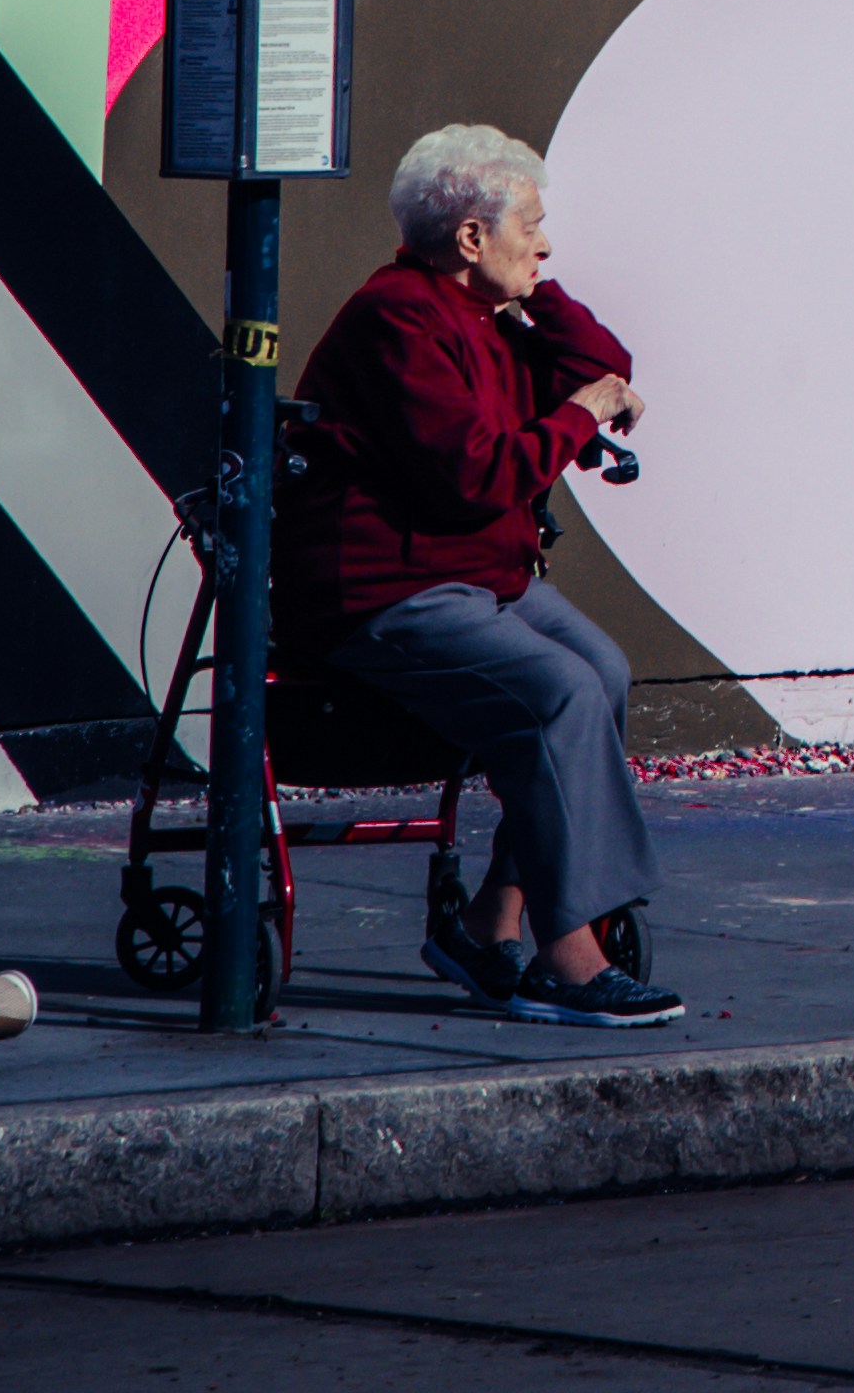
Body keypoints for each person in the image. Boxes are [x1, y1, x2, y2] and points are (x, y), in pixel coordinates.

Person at [292, 122, 682, 1026]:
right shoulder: (399, 319)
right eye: (530, 228)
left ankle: (489, 920)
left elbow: (603, 368)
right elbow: (477, 475)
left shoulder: (485, 311)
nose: (545, 245)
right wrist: (578, 415)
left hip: (478, 574)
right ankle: (567, 957)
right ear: (471, 238)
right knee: (559, 692)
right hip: (389, 589)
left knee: (604, 671)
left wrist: (539, 293)